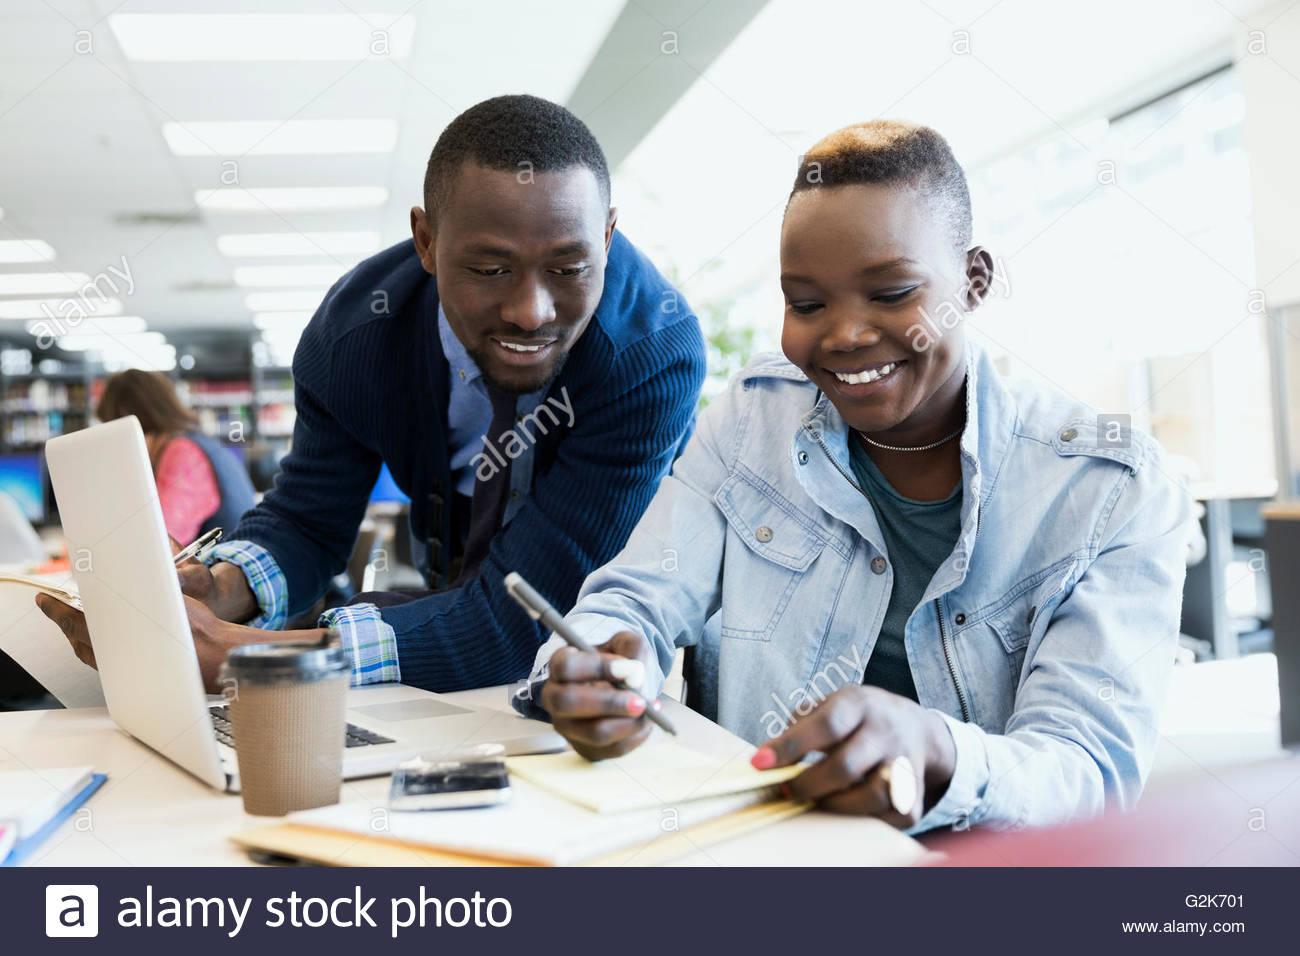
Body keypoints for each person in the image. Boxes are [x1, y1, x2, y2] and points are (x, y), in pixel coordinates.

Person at [526, 120, 1192, 833]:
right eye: (806, 304)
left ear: (972, 282)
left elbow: (1088, 769)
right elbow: (636, 601)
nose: (843, 335)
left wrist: (935, 750)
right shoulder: (753, 422)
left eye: (891, 293)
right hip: (769, 866)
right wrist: (592, 661)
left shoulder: (1112, 490)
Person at [40, 95, 705, 695]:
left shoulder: (652, 354)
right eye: (491, 269)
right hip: (438, 649)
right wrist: (219, 590)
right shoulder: (353, 338)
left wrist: (251, 656)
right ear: (426, 241)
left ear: (609, 235)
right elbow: (307, 520)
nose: (531, 312)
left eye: (568, 268)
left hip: (593, 689)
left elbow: (532, 615)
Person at [95, 369, 256, 544]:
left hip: (219, 567)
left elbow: (157, 542)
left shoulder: (183, 452)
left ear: (128, 419)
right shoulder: (197, 442)